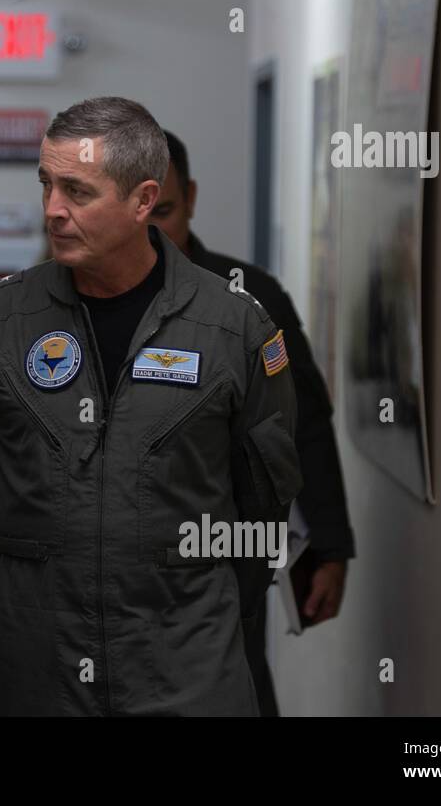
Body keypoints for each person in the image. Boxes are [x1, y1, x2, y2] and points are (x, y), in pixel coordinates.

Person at [0, 96, 302, 715]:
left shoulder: (233, 328)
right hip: (44, 666)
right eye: (47, 186)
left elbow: (264, 501)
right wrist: (5, 573)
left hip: (186, 666)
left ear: (144, 200)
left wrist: (200, 599)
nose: (53, 211)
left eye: (77, 192)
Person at [149, 129, 355, 716]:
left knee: (238, 692)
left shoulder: (250, 299)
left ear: (189, 196)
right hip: (102, 569)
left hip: (226, 557)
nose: (151, 235)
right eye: (139, 213)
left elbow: (304, 421)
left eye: (165, 211)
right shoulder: (75, 301)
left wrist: (332, 546)